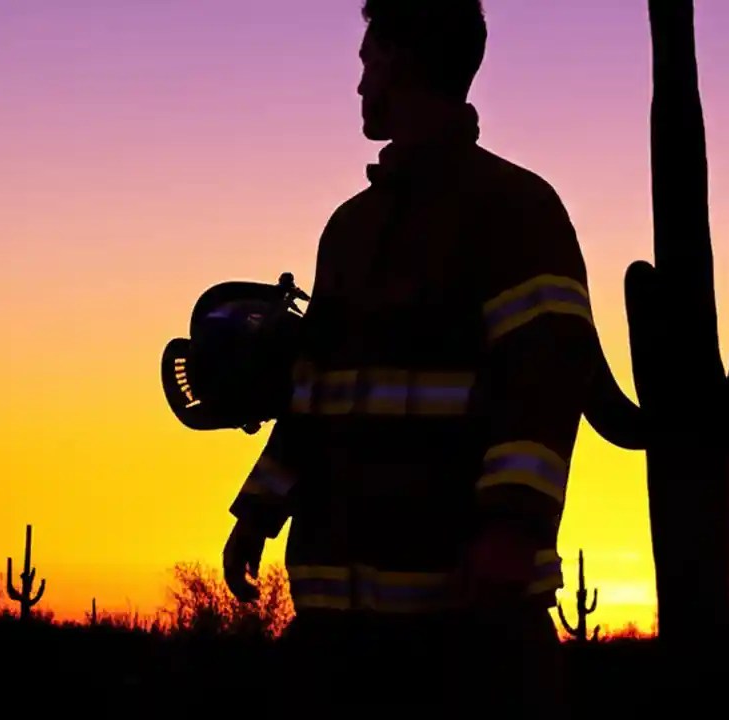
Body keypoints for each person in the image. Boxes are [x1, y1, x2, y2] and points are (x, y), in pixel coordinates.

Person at [223, 1, 597, 715]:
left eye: (369, 63)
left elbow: (547, 376)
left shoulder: (516, 209)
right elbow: (312, 391)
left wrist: (510, 530)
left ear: (405, 62)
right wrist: (258, 512)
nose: (360, 85)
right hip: (338, 639)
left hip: (469, 634)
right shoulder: (349, 229)